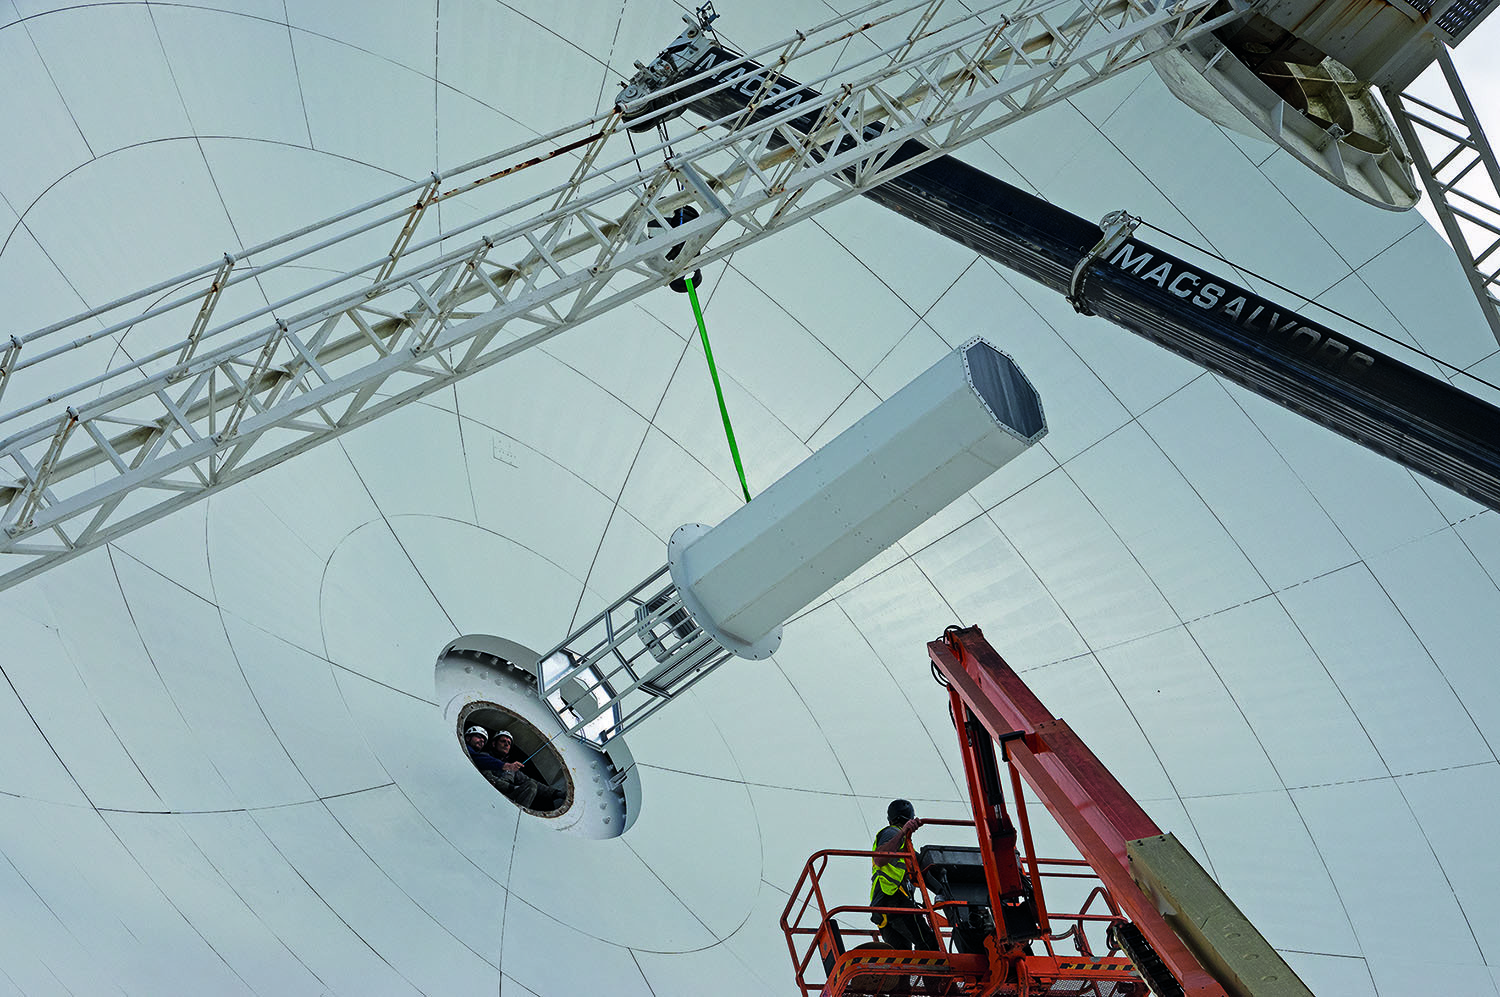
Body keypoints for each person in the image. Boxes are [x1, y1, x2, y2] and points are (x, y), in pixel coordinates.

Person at [870, 799, 938, 950]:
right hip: (893, 899)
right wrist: (902, 832)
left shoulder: (906, 848)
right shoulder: (893, 832)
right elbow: (880, 859)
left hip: (883, 906)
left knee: (902, 957)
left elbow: (924, 873)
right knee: (929, 945)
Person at [483, 728, 567, 812]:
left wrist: (556, 793)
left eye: (509, 743)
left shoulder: (512, 768)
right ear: (494, 743)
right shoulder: (484, 757)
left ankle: (516, 813)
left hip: (505, 800)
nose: (506, 744)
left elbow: (534, 783)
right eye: (503, 741)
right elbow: (487, 776)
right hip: (487, 792)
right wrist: (512, 787)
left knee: (531, 785)